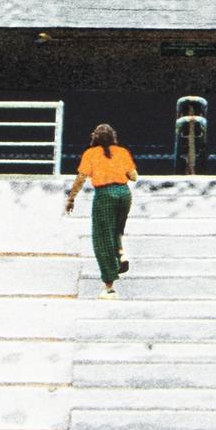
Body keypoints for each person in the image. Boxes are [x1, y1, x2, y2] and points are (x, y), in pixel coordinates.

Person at [64, 124, 139, 299]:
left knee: (102, 238)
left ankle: (109, 288)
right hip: (124, 193)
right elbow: (134, 176)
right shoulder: (122, 152)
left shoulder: (91, 154)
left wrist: (71, 198)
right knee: (116, 230)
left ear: (95, 138)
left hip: (105, 195)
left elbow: (81, 178)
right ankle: (121, 254)